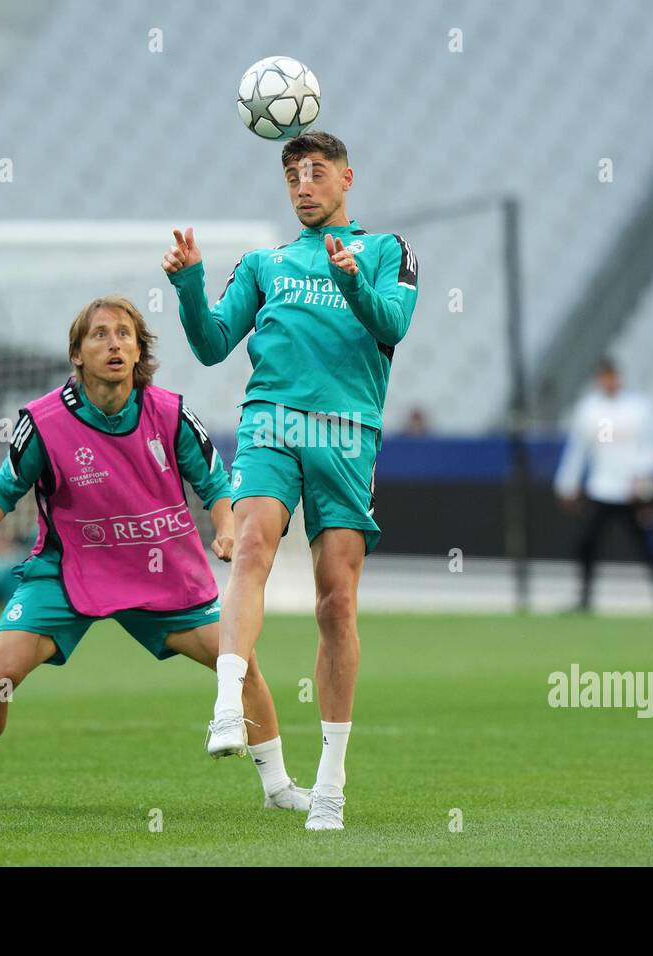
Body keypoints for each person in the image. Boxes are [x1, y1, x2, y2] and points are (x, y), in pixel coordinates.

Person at [0, 296, 308, 813]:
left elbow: (215, 484)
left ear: (139, 350)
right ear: (77, 353)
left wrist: (227, 528)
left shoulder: (172, 413)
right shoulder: (44, 422)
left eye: (124, 334)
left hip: (160, 572)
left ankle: (277, 788)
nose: (113, 343)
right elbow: (3, 490)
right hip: (71, 570)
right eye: (99, 334)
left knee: (241, 662)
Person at [162, 131, 418, 830]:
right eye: (293, 175)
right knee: (250, 549)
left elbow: (393, 321)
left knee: (335, 603)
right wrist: (188, 282)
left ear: (346, 178)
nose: (303, 185)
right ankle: (226, 701)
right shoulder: (264, 263)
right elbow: (213, 343)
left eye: (315, 172)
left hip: (346, 433)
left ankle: (330, 781)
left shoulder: (388, 251)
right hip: (271, 422)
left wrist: (350, 278)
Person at [554, 357, 653, 614]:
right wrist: (567, 483)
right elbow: (578, 449)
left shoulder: (638, 408)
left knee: (649, 544)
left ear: (619, 377)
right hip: (601, 488)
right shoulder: (588, 409)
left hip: (633, 492)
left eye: (612, 376)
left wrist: (642, 473)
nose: (609, 382)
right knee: (586, 543)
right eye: (604, 377)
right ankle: (584, 597)